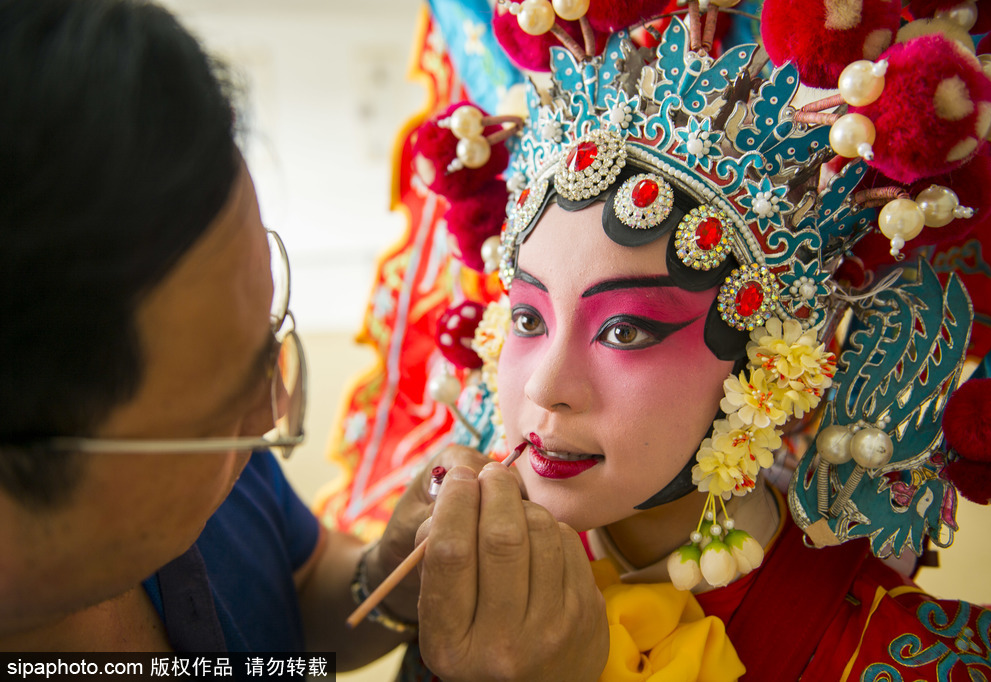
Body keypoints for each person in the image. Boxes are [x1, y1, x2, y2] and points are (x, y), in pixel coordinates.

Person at [380, 1, 991, 679]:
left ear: (769, 368)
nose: (542, 387)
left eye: (625, 329)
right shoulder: (471, 574)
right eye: (529, 319)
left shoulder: (907, 661)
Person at [0, 1, 610, 677]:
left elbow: (287, 597)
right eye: (220, 410)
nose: (269, 418)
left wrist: (384, 577)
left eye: (265, 337)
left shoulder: (204, 439)